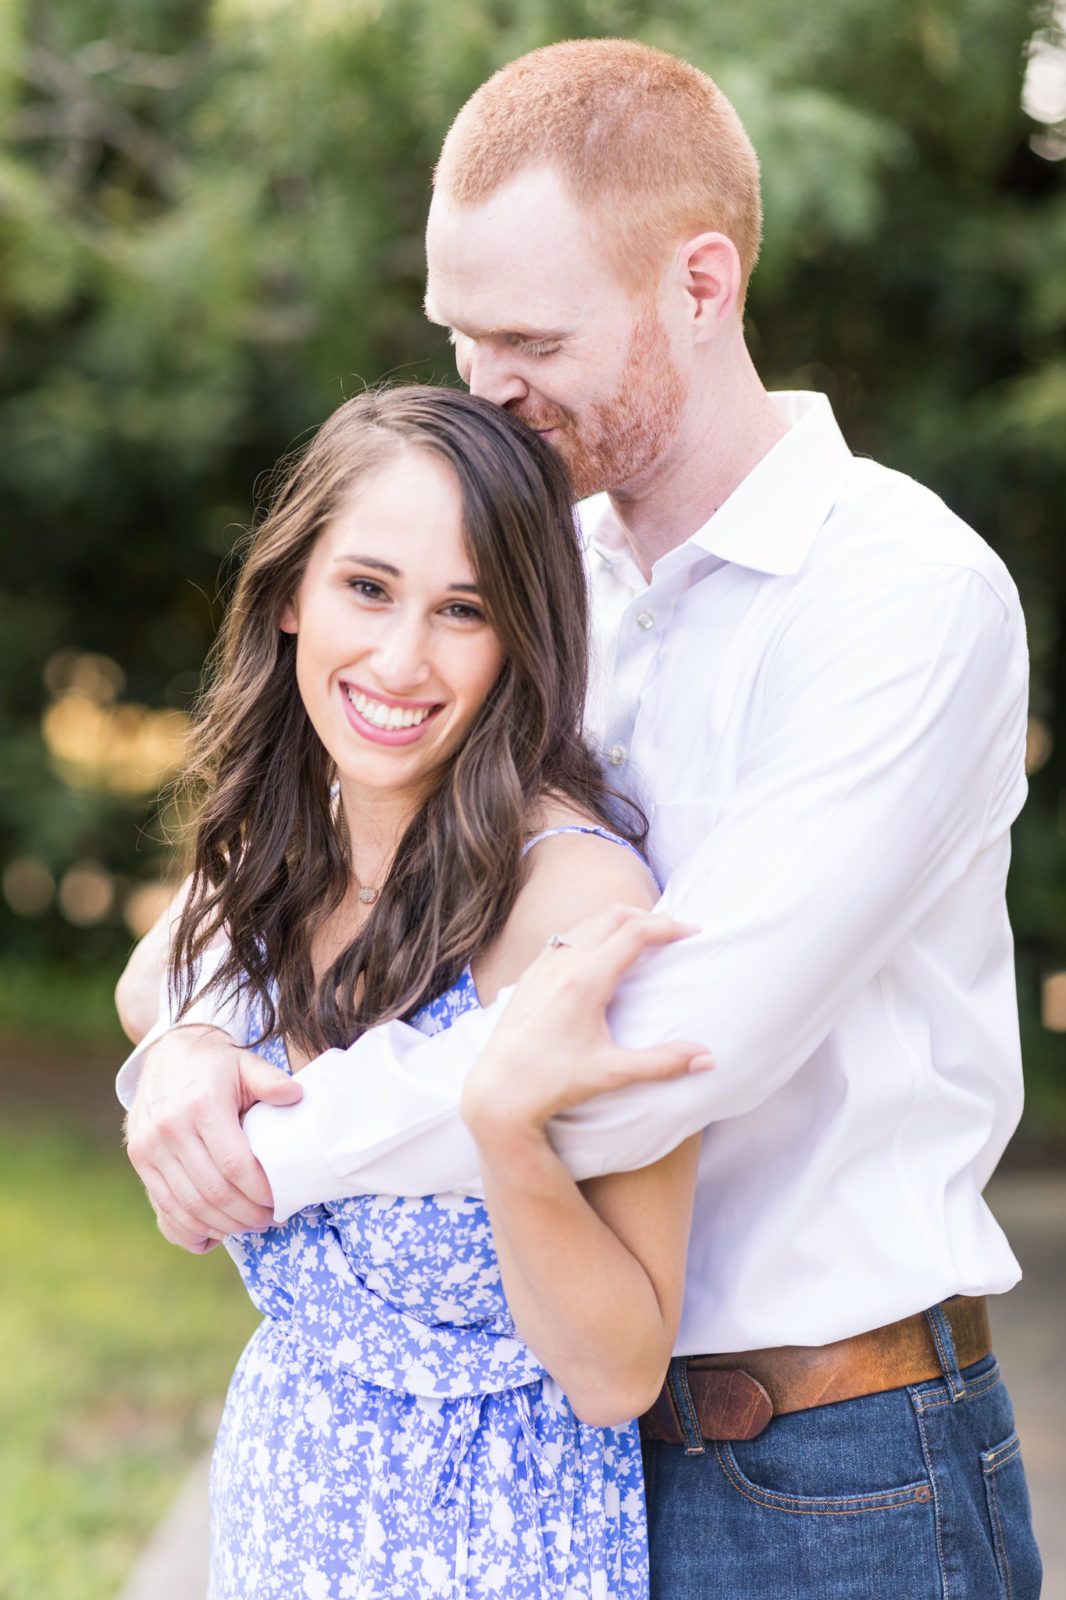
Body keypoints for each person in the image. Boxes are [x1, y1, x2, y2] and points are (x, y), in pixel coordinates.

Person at [119, 39, 1042, 1599]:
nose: (486, 384)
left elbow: (658, 1053)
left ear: (700, 286)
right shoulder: (526, 591)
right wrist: (194, 1042)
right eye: (460, 334)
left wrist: (256, 1148)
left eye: (531, 338)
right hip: (536, 1454)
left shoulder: (898, 595)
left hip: (829, 1468)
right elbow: (303, 877)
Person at [153, 383, 706, 1598]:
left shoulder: (574, 898)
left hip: (488, 1542)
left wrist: (504, 1131)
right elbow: (156, 984)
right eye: (367, 587)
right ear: (290, 593)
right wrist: (189, 1045)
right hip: (281, 1507)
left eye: (463, 608)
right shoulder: (292, 847)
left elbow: (618, 1372)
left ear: (520, 637)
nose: (401, 659)